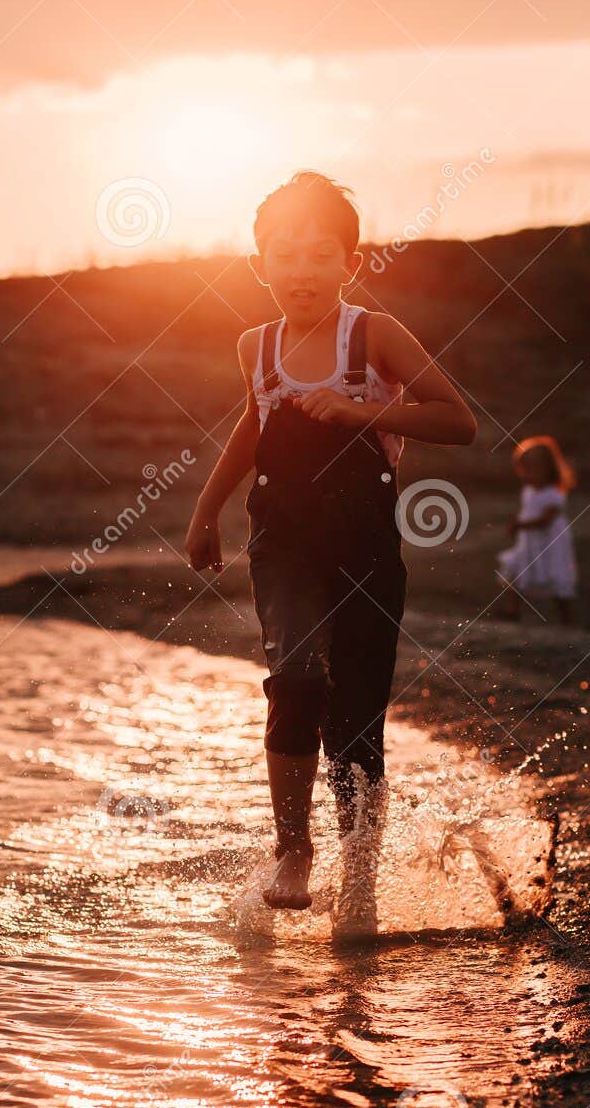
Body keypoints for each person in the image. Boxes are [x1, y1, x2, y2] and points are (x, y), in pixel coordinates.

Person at [184, 171, 476, 910]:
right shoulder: (254, 344)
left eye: (320, 255)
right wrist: (206, 508)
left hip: (363, 540)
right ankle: (293, 852)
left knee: (355, 716)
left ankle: (360, 876)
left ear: (349, 263)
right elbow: (251, 429)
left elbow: (457, 420)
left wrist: (363, 416)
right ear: (259, 265)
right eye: (284, 255)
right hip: (281, 538)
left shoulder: (372, 334)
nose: (301, 271)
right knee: (293, 677)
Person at [496, 436, 578, 623]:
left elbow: (545, 521)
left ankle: (567, 618)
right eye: (522, 470)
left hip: (549, 543)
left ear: (547, 470)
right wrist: (517, 523)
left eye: (529, 471)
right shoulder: (529, 490)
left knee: (556, 576)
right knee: (515, 570)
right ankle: (513, 611)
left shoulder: (553, 493)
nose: (524, 475)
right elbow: (527, 513)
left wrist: (520, 525)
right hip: (529, 542)